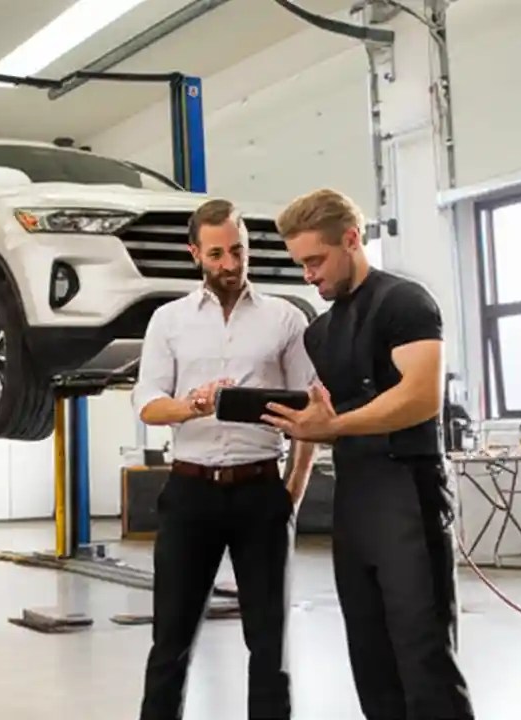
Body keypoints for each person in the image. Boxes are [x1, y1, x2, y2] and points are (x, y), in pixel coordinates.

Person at [263, 188, 475, 720]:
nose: (308, 275)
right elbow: (323, 416)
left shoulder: (404, 301)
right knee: (370, 657)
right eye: (300, 264)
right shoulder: (321, 333)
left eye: (315, 260)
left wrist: (335, 425)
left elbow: (420, 395)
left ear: (352, 239)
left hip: (409, 491)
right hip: (355, 498)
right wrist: (297, 469)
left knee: (422, 653)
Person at [132, 198, 318, 720]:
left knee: (269, 645)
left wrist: (291, 494)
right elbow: (148, 404)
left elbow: (310, 410)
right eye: (217, 254)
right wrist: (194, 404)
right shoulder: (168, 321)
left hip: (262, 492)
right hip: (190, 493)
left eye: (239, 250)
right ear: (195, 254)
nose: (231, 265)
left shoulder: (285, 318)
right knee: (170, 640)